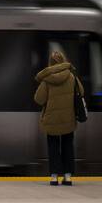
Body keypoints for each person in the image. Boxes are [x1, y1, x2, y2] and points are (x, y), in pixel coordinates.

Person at [34, 51, 84, 186]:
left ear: (51, 63)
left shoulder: (47, 80)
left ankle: (54, 177)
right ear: (63, 61)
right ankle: (67, 177)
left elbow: (38, 99)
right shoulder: (72, 78)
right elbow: (82, 92)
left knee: (53, 146)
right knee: (68, 145)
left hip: (51, 120)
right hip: (69, 118)